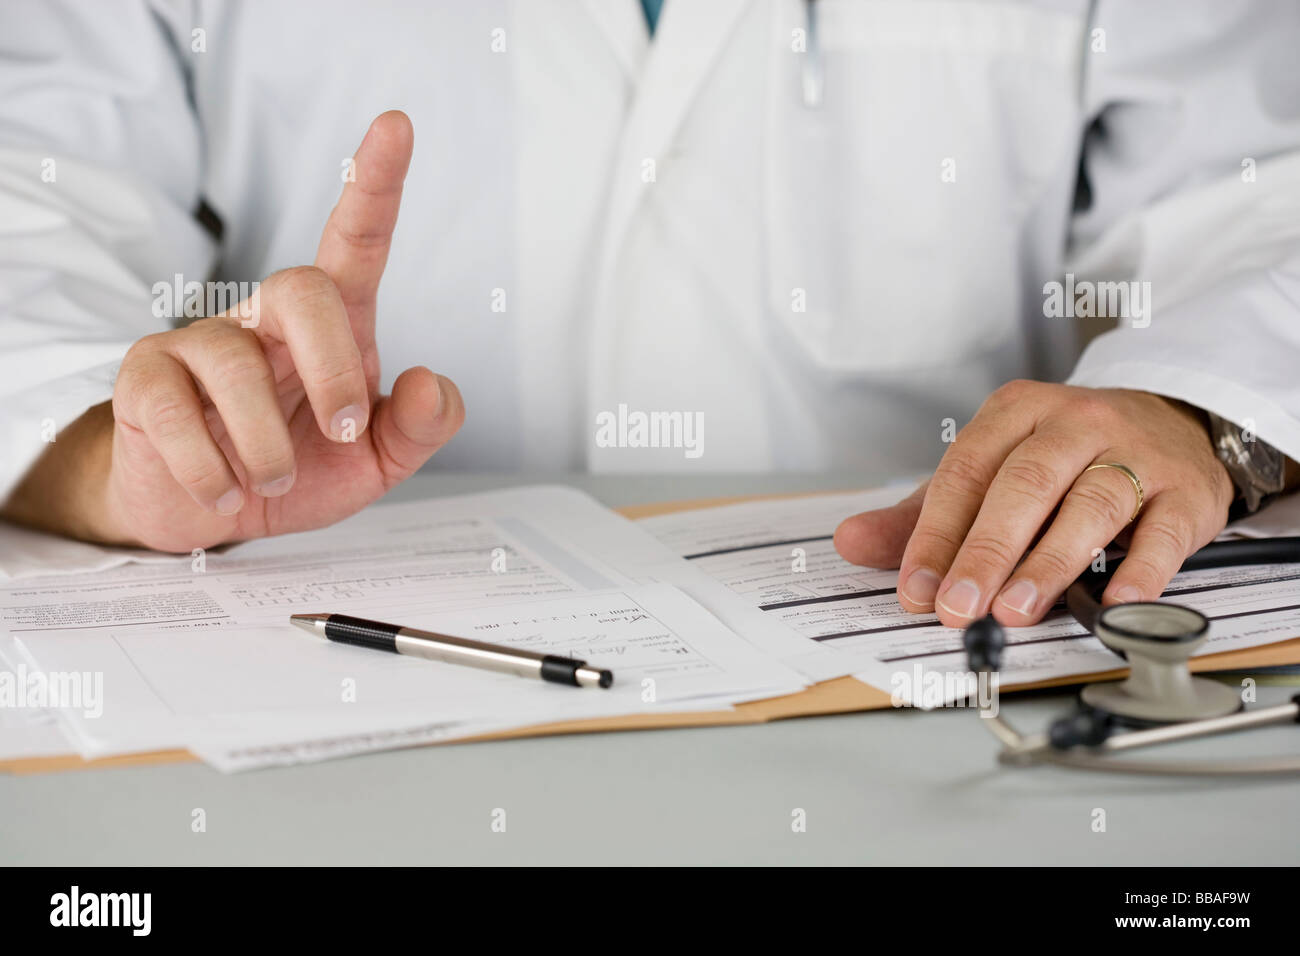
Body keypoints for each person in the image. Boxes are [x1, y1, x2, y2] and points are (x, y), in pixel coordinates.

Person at [1, 1, 1297, 631]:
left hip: (929, 651)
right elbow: (27, 185)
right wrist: (112, 450)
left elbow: (1263, 183)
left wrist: (1201, 409)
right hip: (315, 641)